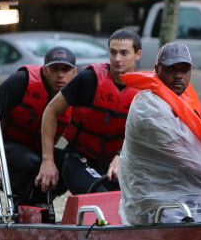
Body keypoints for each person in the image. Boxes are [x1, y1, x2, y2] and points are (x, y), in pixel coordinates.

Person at [118, 43, 201, 224]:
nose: (179, 75)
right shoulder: (148, 107)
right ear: (157, 69)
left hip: (177, 195)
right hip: (150, 203)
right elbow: (187, 161)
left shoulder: (179, 100)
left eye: (184, 70)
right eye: (172, 69)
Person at [36, 28, 142, 195]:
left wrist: (122, 155)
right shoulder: (88, 79)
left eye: (124, 53)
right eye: (113, 53)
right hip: (80, 159)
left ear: (138, 55)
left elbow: (145, 135)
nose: (117, 59)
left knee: (132, 199)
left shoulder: (143, 91)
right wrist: (47, 160)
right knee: (100, 195)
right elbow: (51, 111)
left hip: (118, 161)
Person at [0, 45, 77, 205]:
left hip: (36, 150)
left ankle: (40, 204)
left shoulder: (76, 94)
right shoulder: (21, 81)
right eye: (55, 69)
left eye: (66, 70)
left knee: (72, 165)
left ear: (74, 73)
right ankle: (20, 206)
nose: (60, 75)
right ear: (45, 70)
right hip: (2, 147)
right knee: (29, 162)